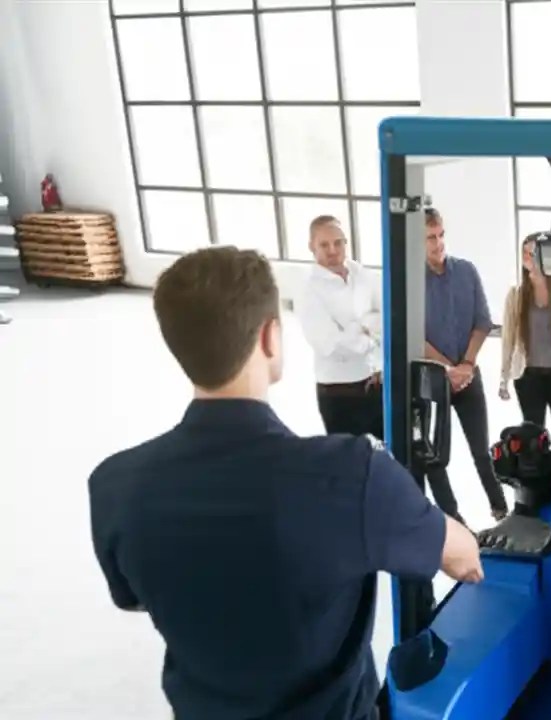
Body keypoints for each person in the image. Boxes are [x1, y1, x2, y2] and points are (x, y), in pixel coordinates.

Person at [87, 246, 482, 720]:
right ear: (271, 338)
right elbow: (462, 557)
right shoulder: (353, 474)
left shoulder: (114, 486)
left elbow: (134, 599)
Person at [419, 208, 508, 523]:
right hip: (432, 380)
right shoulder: (411, 283)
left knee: (482, 451)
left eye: (441, 234)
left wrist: (467, 363)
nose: (438, 243)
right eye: (430, 237)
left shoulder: (467, 271)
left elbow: (483, 322)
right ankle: (453, 518)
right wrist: (449, 369)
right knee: (435, 457)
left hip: (469, 376)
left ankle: (500, 508)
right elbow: (414, 336)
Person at [295, 215, 385, 438]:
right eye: (324, 245)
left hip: (376, 385)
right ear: (311, 247)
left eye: (338, 242)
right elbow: (330, 344)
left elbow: (385, 315)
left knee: (386, 460)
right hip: (339, 393)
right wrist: (370, 332)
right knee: (348, 465)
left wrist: (358, 329)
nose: (332, 250)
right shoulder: (308, 289)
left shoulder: (361, 273)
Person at [497, 233, 551, 456]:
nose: (530, 258)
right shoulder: (516, 293)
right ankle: (539, 484)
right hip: (529, 377)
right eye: (525, 253)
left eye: (535, 252)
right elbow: (508, 338)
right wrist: (504, 378)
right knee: (534, 437)